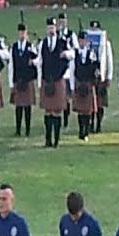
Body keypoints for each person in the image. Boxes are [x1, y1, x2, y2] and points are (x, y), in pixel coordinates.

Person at [39, 17, 74, 148]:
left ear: (56, 29)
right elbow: (40, 62)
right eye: (49, 28)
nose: (51, 30)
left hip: (58, 80)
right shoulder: (43, 44)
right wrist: (40, 80)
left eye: (53, 28)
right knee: (48, 111)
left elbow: (73, 54)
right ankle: (48, 140)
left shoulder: (62, 42)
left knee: (57, 111)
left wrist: (66, 54)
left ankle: (57, 141)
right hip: (47, 80)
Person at [8, 22, 39, 137]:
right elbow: (11, 65)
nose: (22, 35)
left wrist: (33, 62)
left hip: (28, 79)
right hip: (18, 79)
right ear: (18, 33)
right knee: (18, 107)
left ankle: (27, 129)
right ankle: (18, 129)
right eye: (20, 33)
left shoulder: (31, 46)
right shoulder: (14, 47)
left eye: (24, 33)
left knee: (27, 107)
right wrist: (11, 83)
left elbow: (38, 59)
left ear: (26, 34)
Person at [71, 30, 101, 141]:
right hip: (79, 83)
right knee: (80, 111)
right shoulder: (75, 53)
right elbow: (73, 69)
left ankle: (86, 131)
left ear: (87, 41)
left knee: (88, 111)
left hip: (88, 83)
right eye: (80, 40)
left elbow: (95, 67)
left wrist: (96, 75)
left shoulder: (91, 53)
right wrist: (73, 85)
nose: (82, 42)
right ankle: (80, 131)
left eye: (84, 40)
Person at [88, 20, 114, 133]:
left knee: (100, 103)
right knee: (91, 101)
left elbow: (109, 60)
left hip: (101, 76)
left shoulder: (106, 43)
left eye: (96, 29)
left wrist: (109, 76)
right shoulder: (88, 42)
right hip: (91, 75)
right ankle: (91, 123)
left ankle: (98, 124)